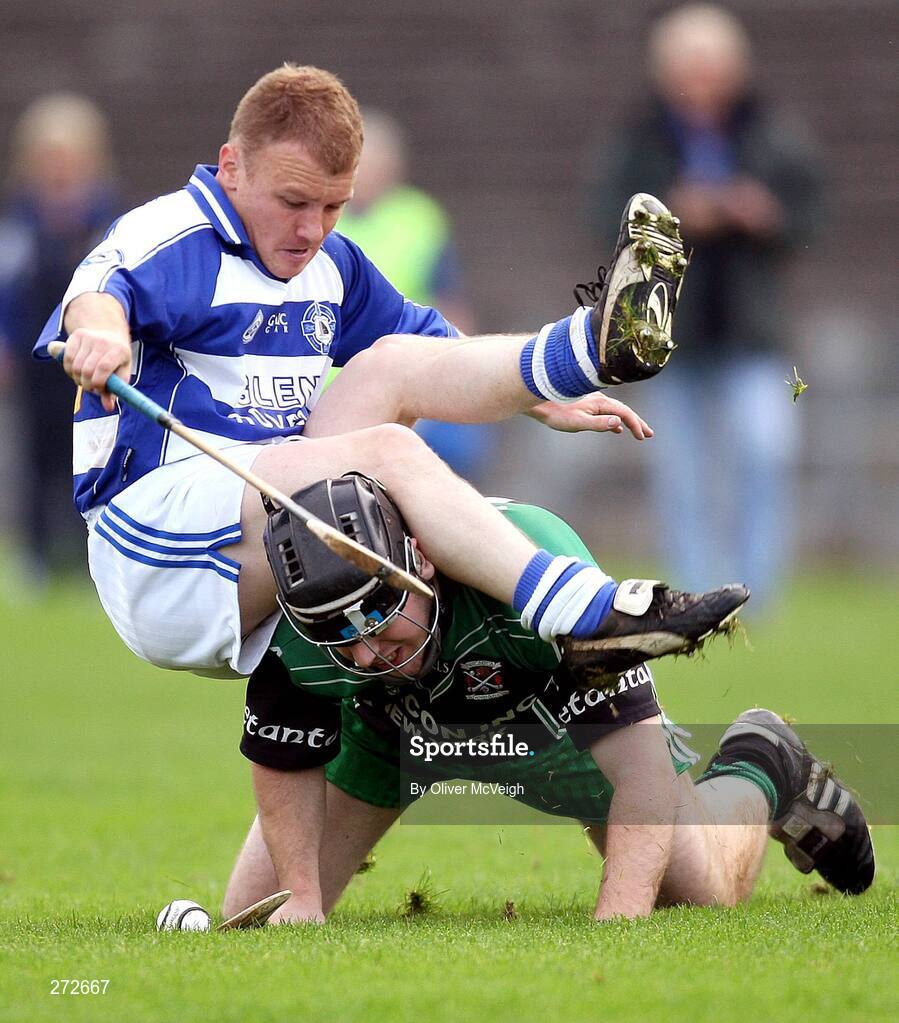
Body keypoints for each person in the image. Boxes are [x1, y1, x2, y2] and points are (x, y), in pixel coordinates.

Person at [33, 63, 725, 683]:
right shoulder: (171, 233)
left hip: (265, 508)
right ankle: (580, 611)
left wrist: (540, 396)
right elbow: (97, 293)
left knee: (391, 365)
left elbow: (429, 352)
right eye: (294, 201)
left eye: (333, 206)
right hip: (158, 546)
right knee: (388, 453)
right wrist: (98, 335)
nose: (312, 230)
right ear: (232, 166)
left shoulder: (330, 263)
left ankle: (588, 348)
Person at [223, 475, 874, 924]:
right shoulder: (305, 637)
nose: (365, 651)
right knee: (255, 909)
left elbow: (641, 769)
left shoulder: (536, 575)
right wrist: (300, 900)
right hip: (387, 733)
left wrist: (617, 920)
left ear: (418, 560)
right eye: (340, 635)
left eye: (380, 616)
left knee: (699, 893)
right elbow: (282, 761)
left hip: (558, 729)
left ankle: (761, 762)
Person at [586, 4, 822, 610]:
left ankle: (756, 592)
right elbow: (605, 217)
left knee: (765, 451)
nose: (701, 78)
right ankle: (698, 591)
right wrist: (676, 214)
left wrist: (761, 214)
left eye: (711, 65)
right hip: (669, 328)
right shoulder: (640, 136)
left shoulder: (769, 130)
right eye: (688, 65)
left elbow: (809, 215)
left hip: (753, 329)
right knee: (683, 473)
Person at [0, 94, 120, 591]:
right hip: (34, 361)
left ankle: (91, 554)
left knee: (91, 452)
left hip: (92, 361)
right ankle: (35, 558)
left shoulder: (108, 218)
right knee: (34, 457)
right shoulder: (19, 221)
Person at [338, 108, 493, 480]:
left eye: (380, 161)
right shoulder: (323, 217)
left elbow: (450, 300)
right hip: (338, 381)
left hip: (415, 365)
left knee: (461, 448)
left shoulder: (420, 216)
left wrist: (459, 369)